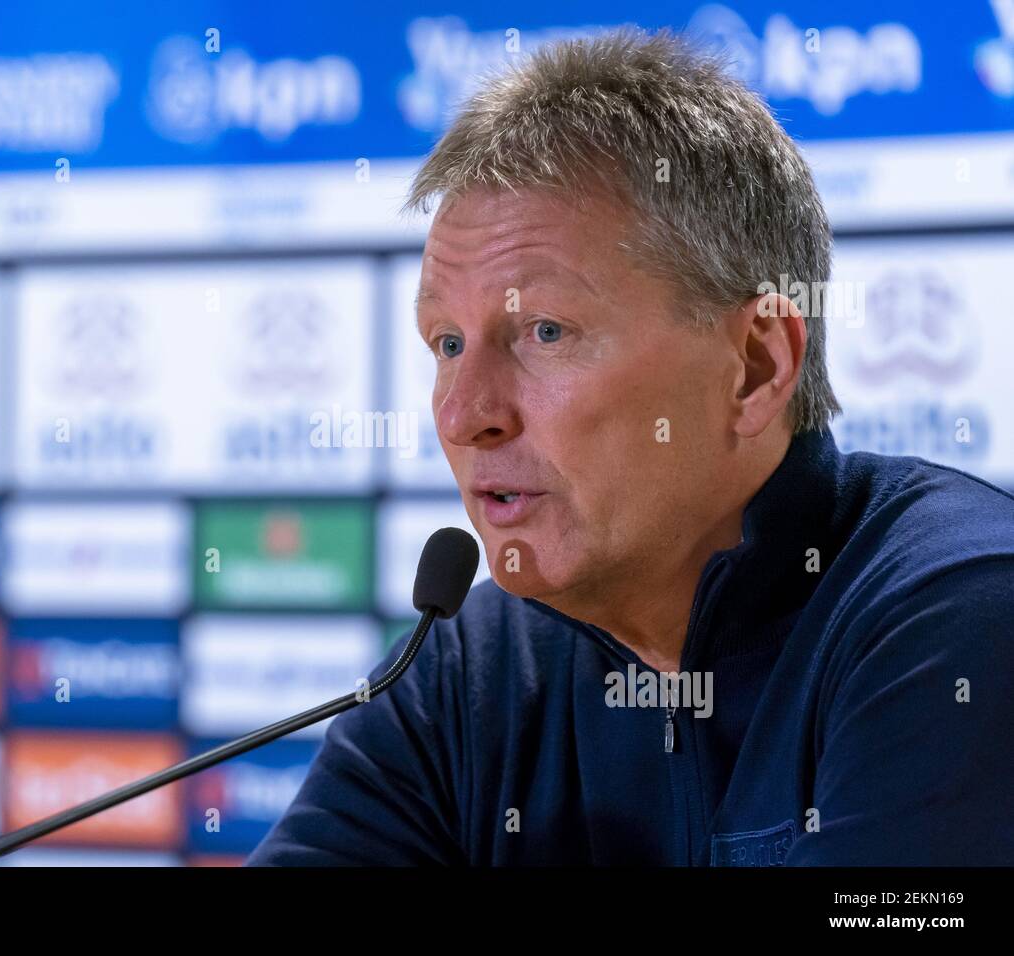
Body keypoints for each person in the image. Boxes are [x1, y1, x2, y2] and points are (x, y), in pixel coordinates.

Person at [247, 28, 1014, 865]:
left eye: (545, 331)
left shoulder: (958, 614)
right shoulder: (465, 675)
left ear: (755, 367)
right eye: (447, 343)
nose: (467, 415)